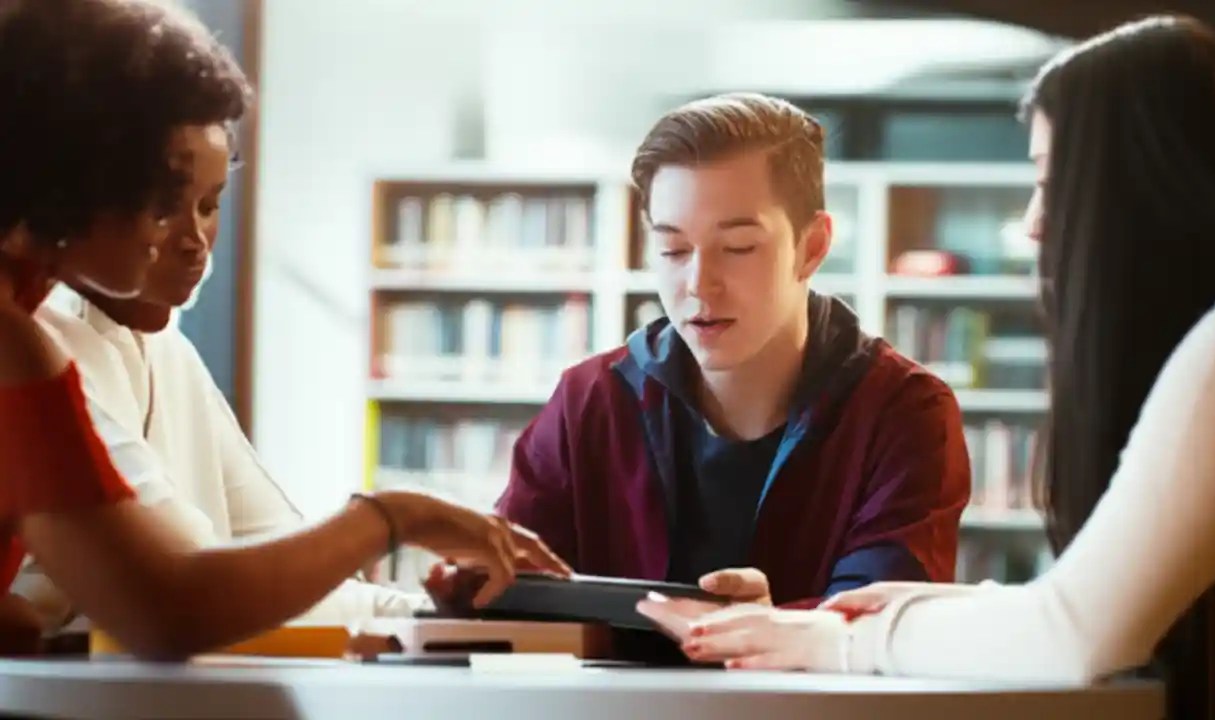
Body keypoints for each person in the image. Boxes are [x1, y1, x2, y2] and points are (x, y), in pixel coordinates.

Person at [637, 15, 1215, 720]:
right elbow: (1099, 600)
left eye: (1048, 178)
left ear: (1140, 181)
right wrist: (930, 607)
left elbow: (1076, 633)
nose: (1034, 221)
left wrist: (831, 638)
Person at [0, 0, 565, 659]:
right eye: (159, 198)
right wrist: (391, 516)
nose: (183, 237)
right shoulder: (23, 344)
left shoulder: (54, 333)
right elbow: (165, 609)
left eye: (206, 204)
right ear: (79, 178)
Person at [482, 93, 970, 610]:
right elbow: (506, 588)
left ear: (811, 248)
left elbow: (883, 625)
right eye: (672, 250)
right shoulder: (589, 400)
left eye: (738, 248)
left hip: (807, 694)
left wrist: (776, 628)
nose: (699, 285)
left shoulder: (904, 413)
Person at [17, 119, 430, 631]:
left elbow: (276, 566)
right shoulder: (36, 345)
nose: (194, 241)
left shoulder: (170, 353)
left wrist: (423, 613)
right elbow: (186, 591)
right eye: (164, 209)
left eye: (209, 206)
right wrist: (395, 517)